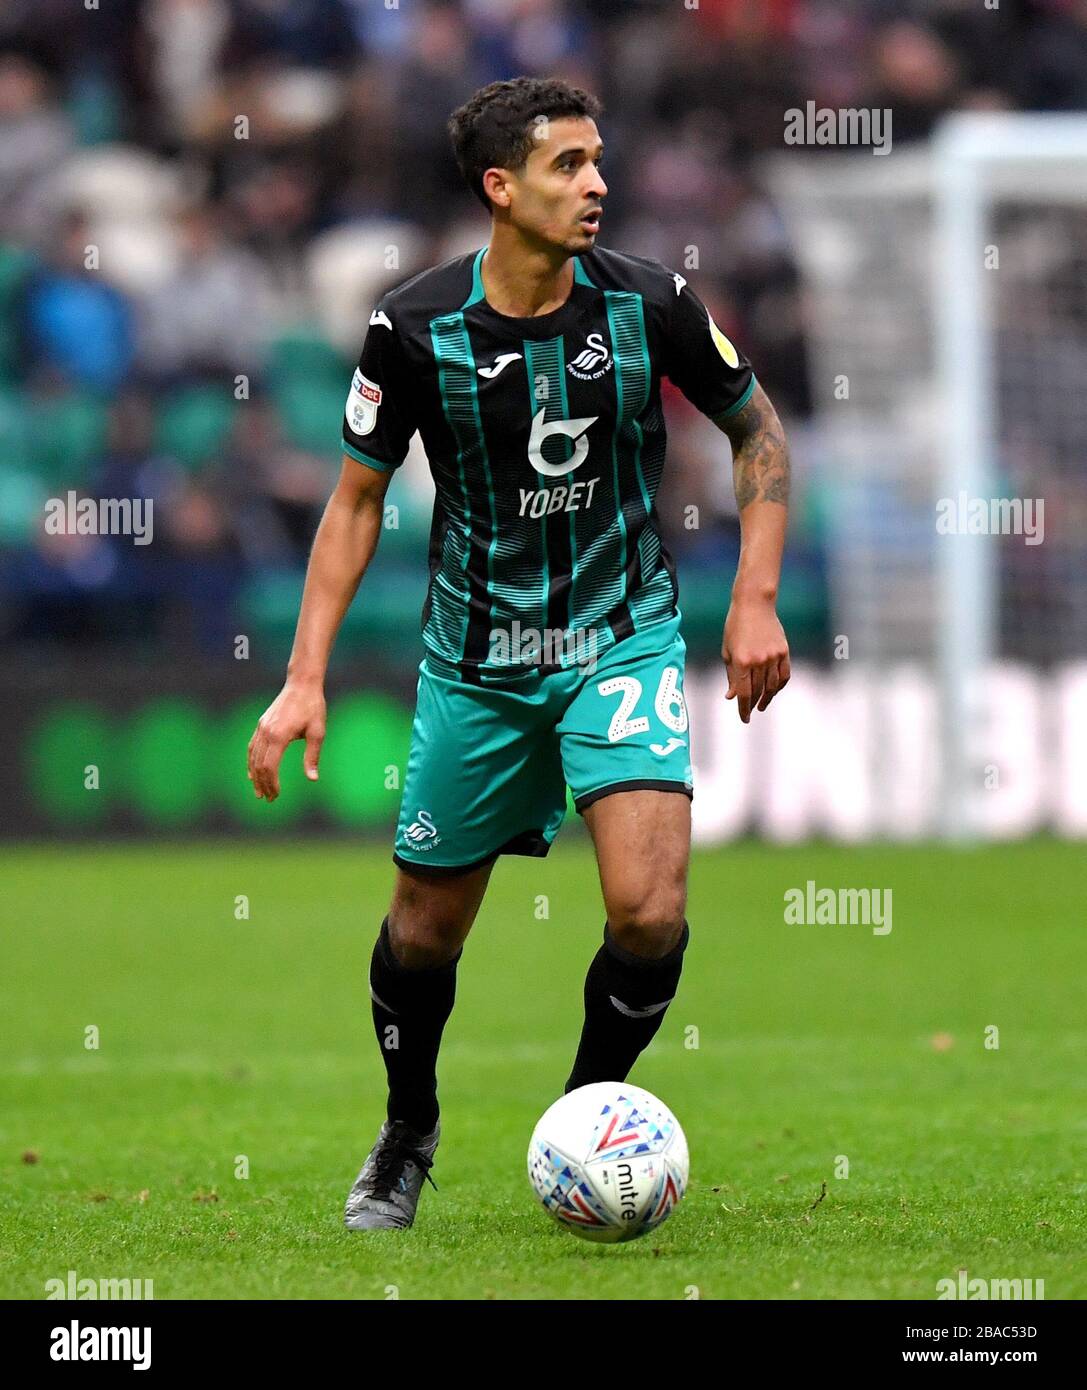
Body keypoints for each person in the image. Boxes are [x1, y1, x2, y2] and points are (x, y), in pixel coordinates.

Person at [246, 77, 791, 1231]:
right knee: (421, 931)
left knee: (647, 914)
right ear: (501, 188)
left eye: (599, 161)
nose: (597, 184)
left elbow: (756, 427)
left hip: (620, 639)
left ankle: (589, 1112)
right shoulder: (412, 327)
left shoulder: (650, 304)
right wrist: (303, 676)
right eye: (567, 166)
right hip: (477, 662)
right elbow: (353, 503)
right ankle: (406, 1129)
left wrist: (753, 598)